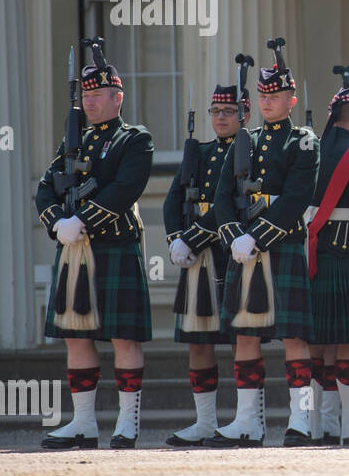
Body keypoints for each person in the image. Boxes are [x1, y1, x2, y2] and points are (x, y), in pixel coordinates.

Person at [38, 41, 154, 449]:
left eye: (96, 95)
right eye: (84, 95)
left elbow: (125, 189)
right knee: (76, 335)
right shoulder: (73, 142)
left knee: (123, 335)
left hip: (115, 243)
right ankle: (84, 422)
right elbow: (44, 189)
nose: (89, 102)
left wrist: (81, 219)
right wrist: (58, 223)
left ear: (116, 97)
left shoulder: (134, 140)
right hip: (74, 250)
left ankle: (127, 423)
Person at [208, 40, 319, 447]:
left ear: (291, 98)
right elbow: (223, 197)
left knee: (293, 337)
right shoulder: (245, 140)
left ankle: (302, 418)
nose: (268, 101)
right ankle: (247, 421)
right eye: (263, 95)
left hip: (281, 242)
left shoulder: (303, 141)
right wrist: (234, 234)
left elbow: (296, 197)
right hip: (244, 247)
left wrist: (258, 236)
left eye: (276, 95)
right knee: (245, 336)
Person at [162, 83, 244, 446]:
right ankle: (206, 421)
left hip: (231, 250)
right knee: (200, 341)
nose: (221, 118)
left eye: (228, 111)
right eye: (216, 112)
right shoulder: (201, 152)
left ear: (244, 114)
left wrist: (190, 237)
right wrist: (174, 239)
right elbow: (173, 199)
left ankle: (246, 419)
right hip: (199, 258)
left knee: (241, 339)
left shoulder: (250, 149)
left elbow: (229, 206)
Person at [306, 74, 349, 445]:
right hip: (348, 258)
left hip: (313, 256)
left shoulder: (311, 149)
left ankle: (315, 425)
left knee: (315, 348)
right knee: (348, 344)